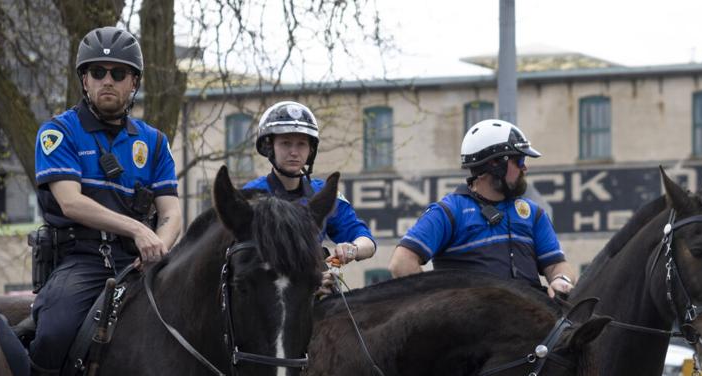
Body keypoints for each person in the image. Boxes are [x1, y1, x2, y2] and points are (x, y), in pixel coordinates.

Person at [21, 26, 181, 376]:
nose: (107, 80)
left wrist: (159, 242)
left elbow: (172, 211)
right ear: (84, 81)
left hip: (144, 262)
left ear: (134, 83)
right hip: (83, 260)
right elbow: (71, 202)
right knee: (52, 334)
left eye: (118, 73)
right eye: (97, 72)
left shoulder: (152, 142)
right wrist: (137, 227)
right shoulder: (58, 131)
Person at [388, 118, 577, 299]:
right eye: (518, 160)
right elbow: (402, 263)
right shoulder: (449, 211)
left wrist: (562, 279)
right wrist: (440, 306)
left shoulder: (532, 213)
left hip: (534, 321)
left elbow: (556, 265)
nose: (524, 168)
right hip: (473, 327)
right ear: (495, 163)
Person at [242, 101, 375, 272]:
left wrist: (352, 249)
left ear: (311, 150)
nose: (294, 152)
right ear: (269, 147)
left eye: (301, 144)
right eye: (285, 143)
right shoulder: (251, 195)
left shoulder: (323, 193)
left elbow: (366, 241)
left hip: (316, 291)